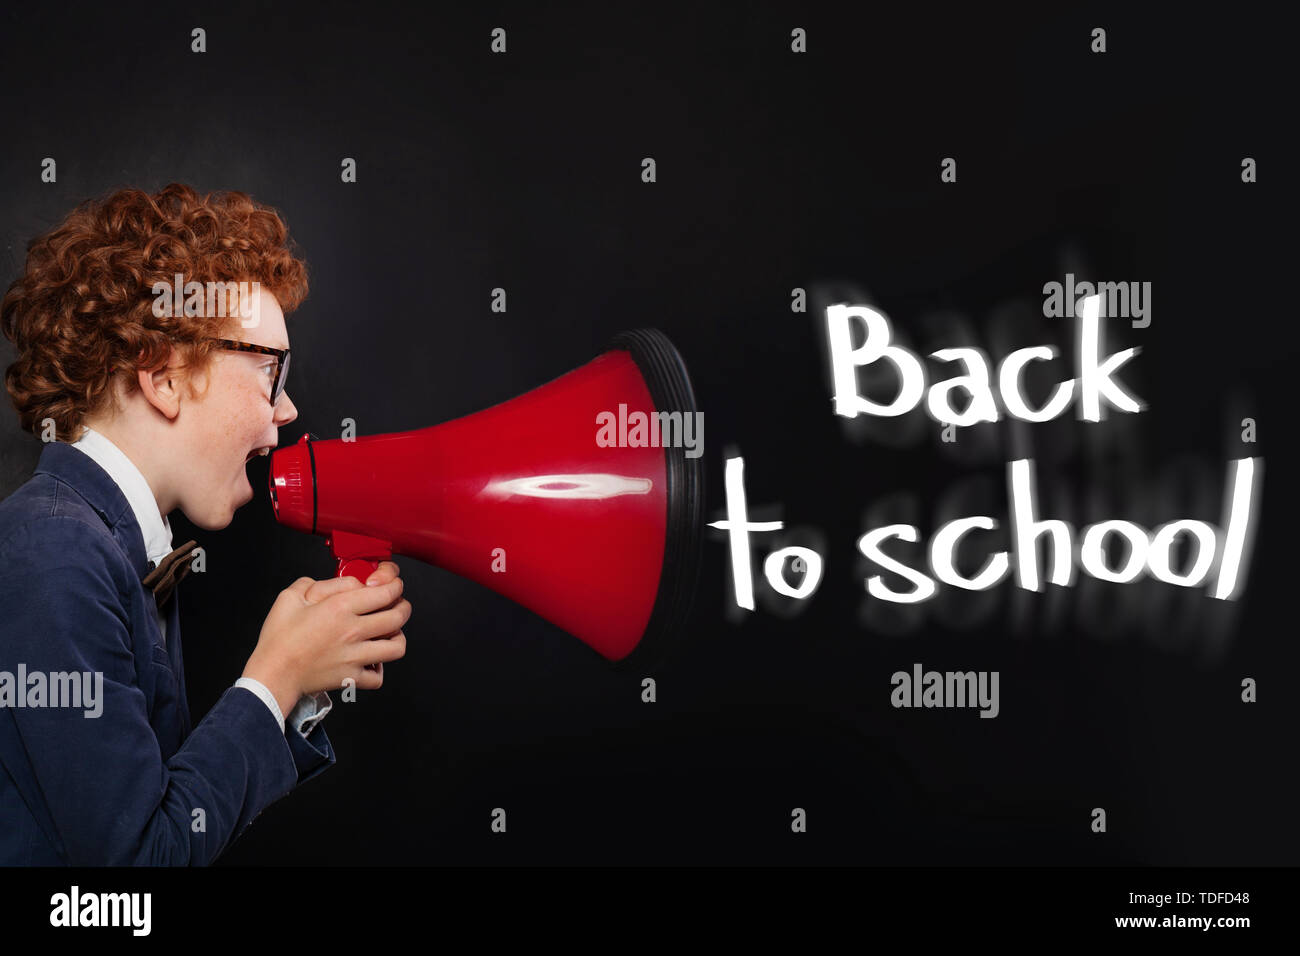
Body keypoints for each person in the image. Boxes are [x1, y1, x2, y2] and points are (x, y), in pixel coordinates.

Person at [0, 183, 410, 864]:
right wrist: (273, 676)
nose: (287, 411)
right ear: (162, 376)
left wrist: (294, 684)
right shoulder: (55, 554)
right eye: (268, 371)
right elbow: (137, 867)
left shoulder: (109, 543)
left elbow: (159, 808)